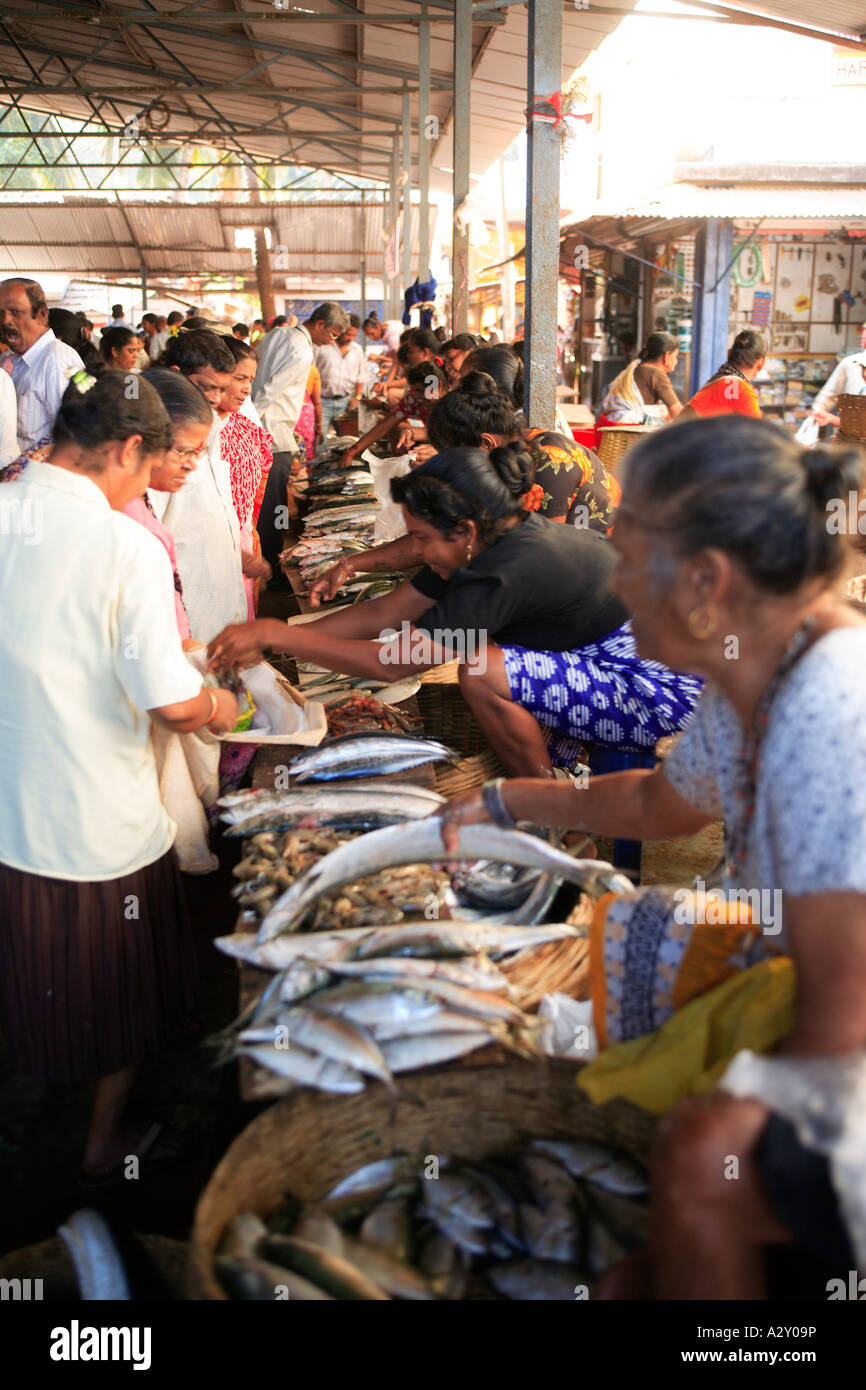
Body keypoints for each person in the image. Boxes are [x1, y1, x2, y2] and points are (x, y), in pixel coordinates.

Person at [439, 414, 866, 1297]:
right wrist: (507, 797)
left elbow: (845, 1008)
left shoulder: (829, 711)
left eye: (630, 560)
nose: (619, 587)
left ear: (707, 580)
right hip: (808, 975)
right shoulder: (757, 672)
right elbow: (655, 802)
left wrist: (708, 1162)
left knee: (698, 1161)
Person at [0, 372, 238, 1181]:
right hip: (95, 822)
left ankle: (26, 1115)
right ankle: (102, 1149)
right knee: (119, 994)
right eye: (155, 464)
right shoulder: (120, 544)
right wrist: (222, 704)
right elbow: (169, 703)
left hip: (10, 812)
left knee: (26, 973)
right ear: (131, 447)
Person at [209, 445, 700, 778]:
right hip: (615, 662)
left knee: (480, 669)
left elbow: (393, 661)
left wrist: (279, 633)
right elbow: (387, 610)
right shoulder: (490, 543)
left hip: (661, 691)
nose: (417, 550)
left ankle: (542, 805)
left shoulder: (504, 569)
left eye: (422, 538)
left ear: (464, 531)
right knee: (480, 655)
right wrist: (277, 644)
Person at [424, 371, 620, 528]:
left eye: (460, 463)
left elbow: (546, 551)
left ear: (487, 443)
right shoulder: (512, 460)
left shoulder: (550, 459)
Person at [154, 330, 247, 643]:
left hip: (219, 592)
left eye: (222, 388)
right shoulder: (159, 437)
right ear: (178, 375)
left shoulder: (212, 424)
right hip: (185, 602)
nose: (215, 398)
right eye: (206, 387)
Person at [250, 302, 350, 569]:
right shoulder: (302, 352)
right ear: (319, 325)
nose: (330, 342)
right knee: (274, 504)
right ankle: (271, 565)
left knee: (267, 501)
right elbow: (269, 390)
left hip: (266, 428)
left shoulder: (276, 334)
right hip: (273, 432)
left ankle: (267, 558)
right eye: (332, 335)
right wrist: (249, 420)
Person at [129, 368, 213, 643]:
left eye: (197, 452)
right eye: (183, 450)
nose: (192, 463)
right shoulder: (120, 513)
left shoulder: (134, 496)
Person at [215, 338, 273, 619]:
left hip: (243, 538)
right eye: (240, 378)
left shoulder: (248, 429)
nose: (248, 389)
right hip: (212, 546)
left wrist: (248, 536)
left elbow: (254, 494)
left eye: (251, 379)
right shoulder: (201, 432)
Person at [0, 277, 83, 451]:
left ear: (42, 315)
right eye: (0, 313)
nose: (5, 320)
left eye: (15, 311)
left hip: (37, 474)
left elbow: (75, 435)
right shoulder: (9, 360)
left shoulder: (60, 361)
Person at [339, 361, 448, 467]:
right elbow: (385, 425)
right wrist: (352, 451)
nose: (416, 396)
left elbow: (446, 437)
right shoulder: (413, 399)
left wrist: (413, 433)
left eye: (420, 391)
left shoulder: (451, 404)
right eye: (414, 390)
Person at [679, 329, 766, 421]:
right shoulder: (742, 392)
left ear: (728, 354)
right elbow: (756, 433)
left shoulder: (721, 381)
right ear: (761, 363)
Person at [599, 332, 683, 427]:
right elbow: (677, 411)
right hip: (630, 430)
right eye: (675, 357)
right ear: (666, 356)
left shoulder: (638, 366)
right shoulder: (656, 373)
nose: (676, 362)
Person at [315, 314, 367, 438]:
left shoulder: (357, 350)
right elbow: (312, 373)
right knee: (319, 441)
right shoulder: (322, 347)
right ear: (340, 330)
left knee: (347, 440)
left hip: (346, 403)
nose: (350, 338)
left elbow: (361, 376)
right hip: (322, 402)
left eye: (354, 335)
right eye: (348, 334)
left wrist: (357, 398)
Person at [808, 321, 866, 430]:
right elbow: (829, 393)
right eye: (864, 333)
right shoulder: (850, 363)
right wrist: (817, 412)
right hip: (848, 437)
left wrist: (833, 420)